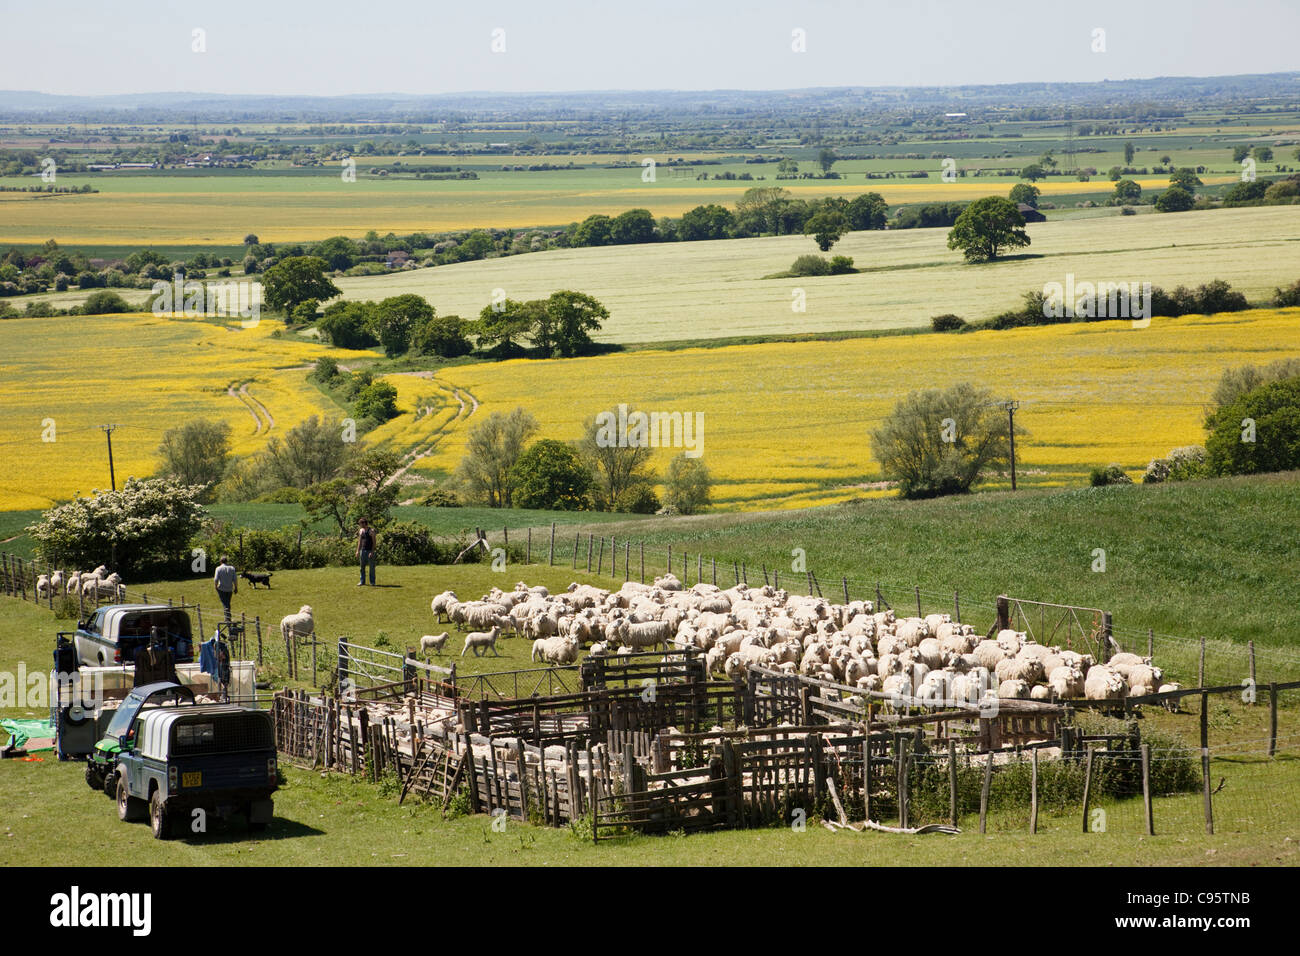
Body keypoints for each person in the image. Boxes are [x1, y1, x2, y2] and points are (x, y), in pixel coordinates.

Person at [213, 556, 237, 620]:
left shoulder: (218, 568)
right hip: (229, 589)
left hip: (221, 588)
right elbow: (235, 579)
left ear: (220, 561)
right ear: (227, 561)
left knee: (225, 603)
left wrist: (215, 586)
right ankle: (227, 617)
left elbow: (216, 579)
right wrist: (236, 587)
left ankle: (227, 618)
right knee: (227, 602)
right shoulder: (232, 568)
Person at [356, 519, 377, 586]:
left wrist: (372, 552)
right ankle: (362, 581)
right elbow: (359, 541)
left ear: (364, 523)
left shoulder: (371, 531)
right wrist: (357, 551)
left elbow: (374, 542)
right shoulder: (361, 531)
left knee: (371, 567)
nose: (359, 525)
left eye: (360, 524)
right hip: (363, 550)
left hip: (369, 551)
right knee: (362, 567)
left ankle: (372, 582)